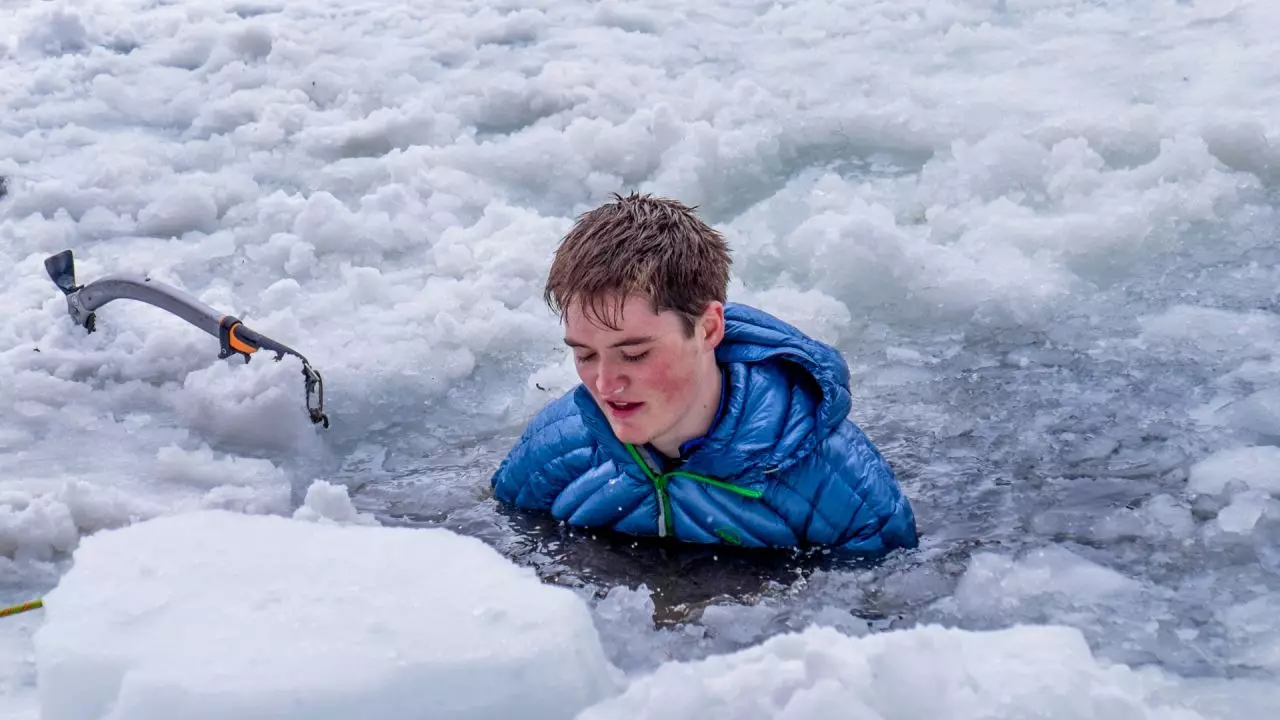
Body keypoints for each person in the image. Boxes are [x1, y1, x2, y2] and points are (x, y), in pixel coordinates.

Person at [490, 192, 918, 556]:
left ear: (709, 327)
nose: (604, 384)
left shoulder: (839, 485)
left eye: (634, 354)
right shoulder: (553, 452)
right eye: (585, 355)